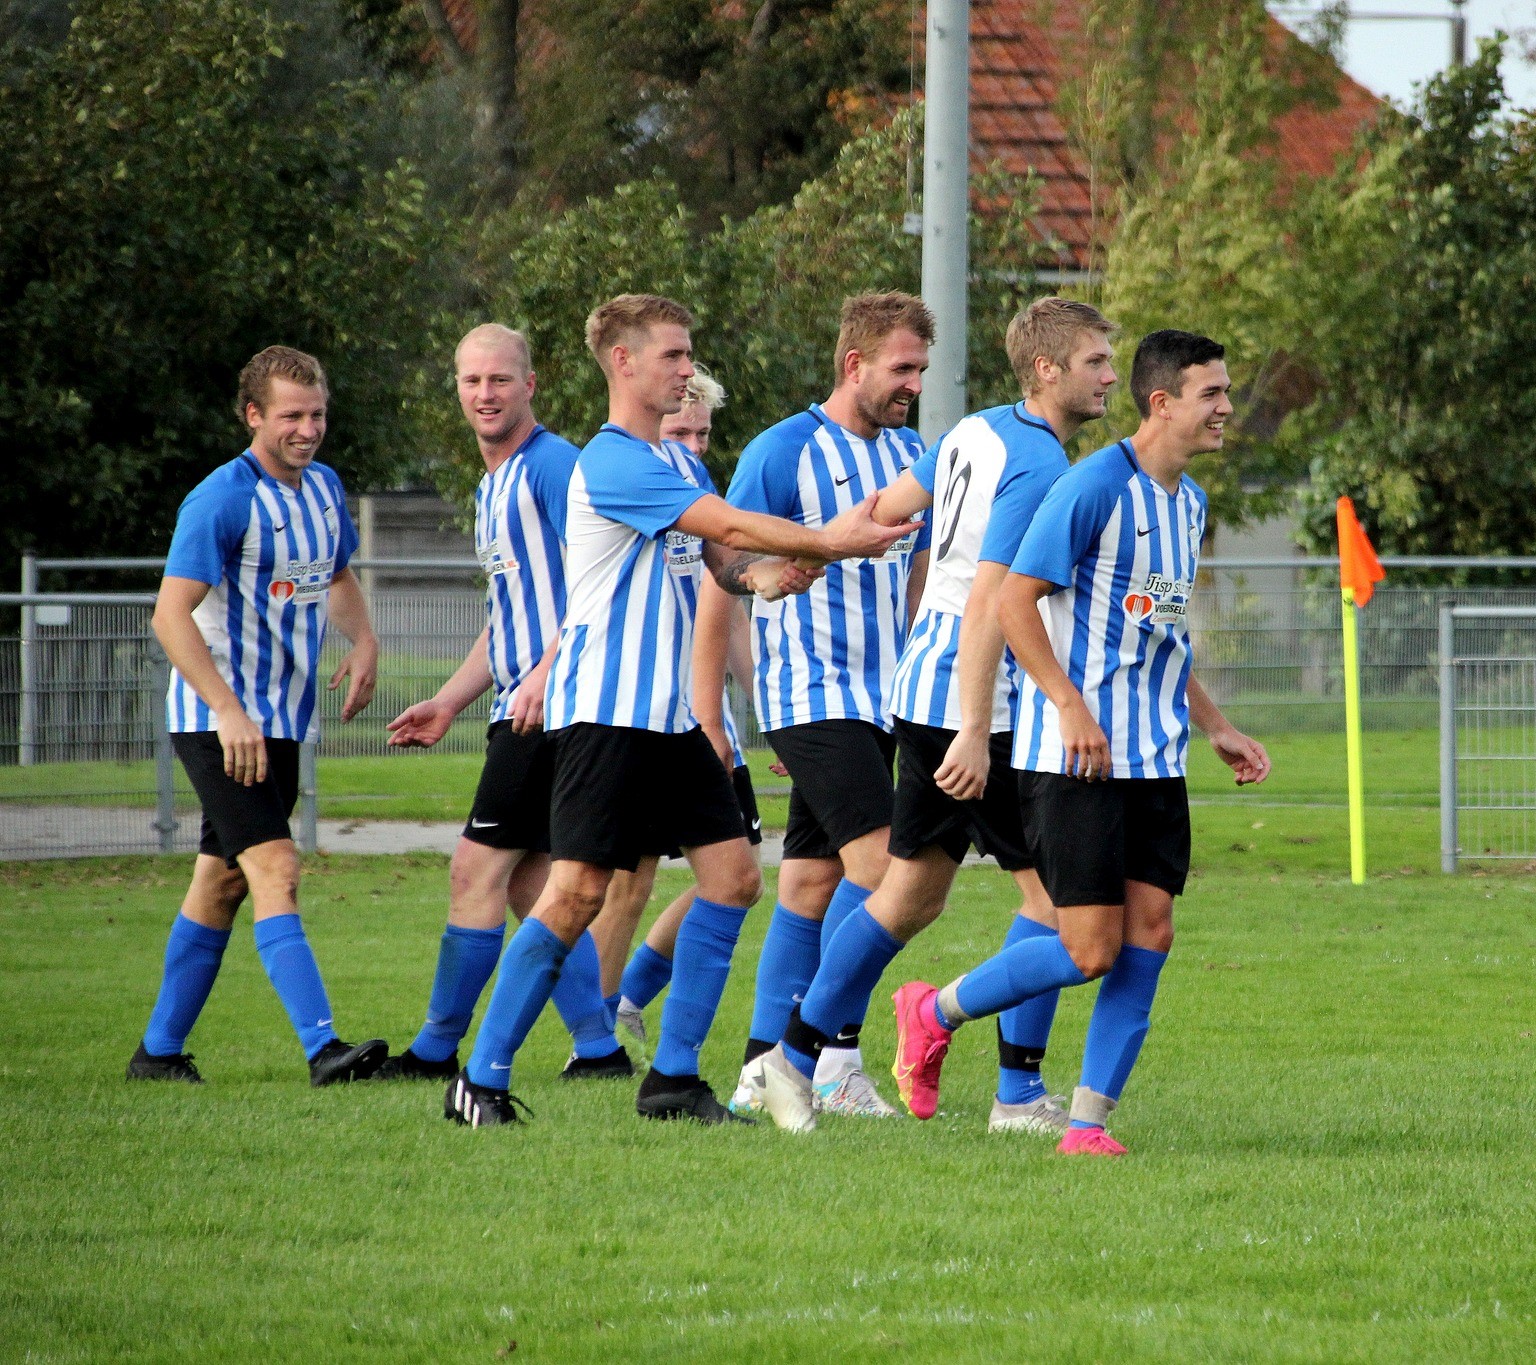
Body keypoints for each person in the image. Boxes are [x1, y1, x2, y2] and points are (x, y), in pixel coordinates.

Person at [445, 293, 920, 1127]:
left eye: (688, 353)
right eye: (672, 355)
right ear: (623, 363)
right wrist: (827, 540)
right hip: (606, 713)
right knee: (577, 893)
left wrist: (769, 577)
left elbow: (724, 561)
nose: (686, 369)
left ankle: (672, 1078)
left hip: (669, 719)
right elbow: (734, 520)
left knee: (734, 879)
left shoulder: (678, 462)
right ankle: (478, 1077)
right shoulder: (612, 461)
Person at [741, 298, 1120, 1134]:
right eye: (1097, 360)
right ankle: (1013, 1093)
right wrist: (977, 732)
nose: (1110, 376)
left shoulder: (975, 430)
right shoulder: (1036, 464)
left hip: (921, 688)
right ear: (1048, 369)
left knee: (906, 895)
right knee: (1057, 904)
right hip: (972, 703)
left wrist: (817, 550)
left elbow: (885, 506)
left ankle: (787, 1059)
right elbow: (990, 599)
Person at [889, 329, 1272, 1155]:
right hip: (1072, 761)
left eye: (1226, 392)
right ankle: (932, 1008)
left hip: (1155, 759)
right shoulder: (1093, 486)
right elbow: (1012, 604)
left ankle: (1086, 1127)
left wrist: (1216, 726)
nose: (1226, 409)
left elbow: (1158, 636)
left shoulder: (1188, 504)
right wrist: (1065, 703)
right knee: (1088, 948)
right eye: (1212, 394)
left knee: (1152, 932)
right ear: (1161, 402)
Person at [127, 345, 387, 1087]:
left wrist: (363, 638)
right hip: (219, 722)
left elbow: (336, 573)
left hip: (282, 720)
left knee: (222, 881)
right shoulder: (220, 498)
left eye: (317, 414)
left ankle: (157, 1054)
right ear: (253, 416)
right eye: (291, 416)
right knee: (276, 865)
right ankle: (324, 1049)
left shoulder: (325, 488)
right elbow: (169, 616)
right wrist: (227, 708)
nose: (308, 429)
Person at [378, 324, 628, 1083]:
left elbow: (598, 588)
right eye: (470, 381)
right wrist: (451, 700)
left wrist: (548, 672)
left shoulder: (554, 466)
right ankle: (599, 1050)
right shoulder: (493, 484)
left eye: (499, 380)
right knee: (531, 885)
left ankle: (432, 1053)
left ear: (530, 385)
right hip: (522, 707)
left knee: (474, 871)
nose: (484, 394)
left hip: (551, 710)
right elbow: (510, 615)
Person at [723, 291, 935, 1119]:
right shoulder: (783, 449)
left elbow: (918, 569)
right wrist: (757, 574)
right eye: (901, 367)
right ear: (855, 365)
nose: (912, 383)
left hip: (887, 695)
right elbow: (722, 551)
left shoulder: (913, 453)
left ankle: (755, 1066)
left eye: (919, 367)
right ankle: (831, 1057)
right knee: (883, 871)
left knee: (811, 882)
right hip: (810, 691)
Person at [595, 365, 765, 1055]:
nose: (692, 445)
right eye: (678, 430)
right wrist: (708, 717)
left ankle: (628, 1000)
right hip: (645, 718)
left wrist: (764, 709)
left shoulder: (697, 491)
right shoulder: (632, 485)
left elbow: (726, 621)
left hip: (701, 720)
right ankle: (596, 1034)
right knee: (623, 884)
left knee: (735, 873)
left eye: (702, 432)